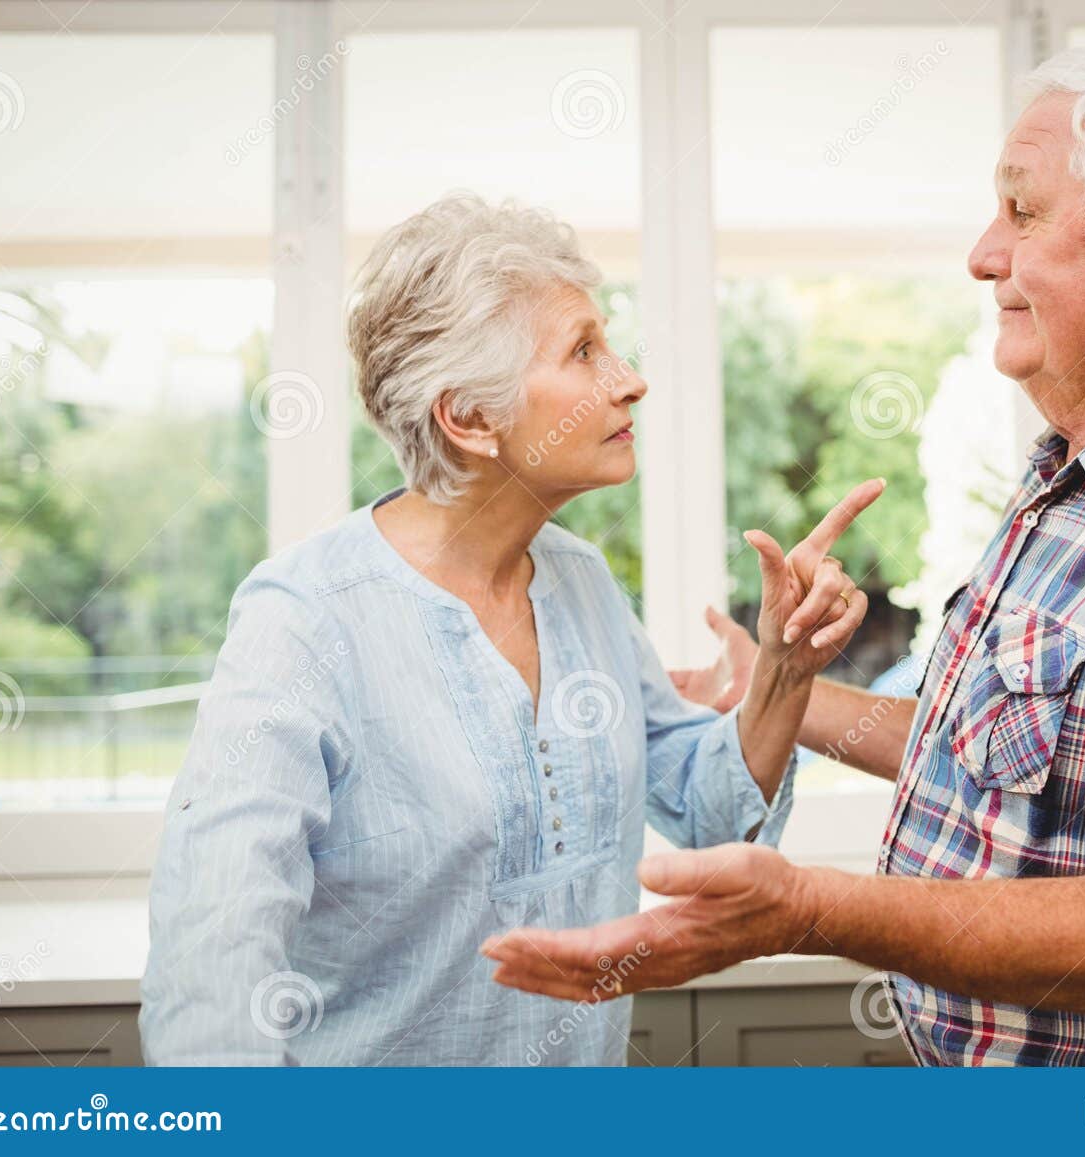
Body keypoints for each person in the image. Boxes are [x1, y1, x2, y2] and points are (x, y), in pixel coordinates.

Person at [481, 41, 1085, 1068]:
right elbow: (1009, 756)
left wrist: (806, 908)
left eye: (1021, 211)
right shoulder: (1075, 481)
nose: (980, 253)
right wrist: (781, 691)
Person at [139, 193, 882, 1065]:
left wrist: (785, 672)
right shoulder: (304, 618)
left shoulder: (582, 580)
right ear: (470, 418)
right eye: (583, 350)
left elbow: (710, 809)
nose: (629, 377)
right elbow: (213, 968)